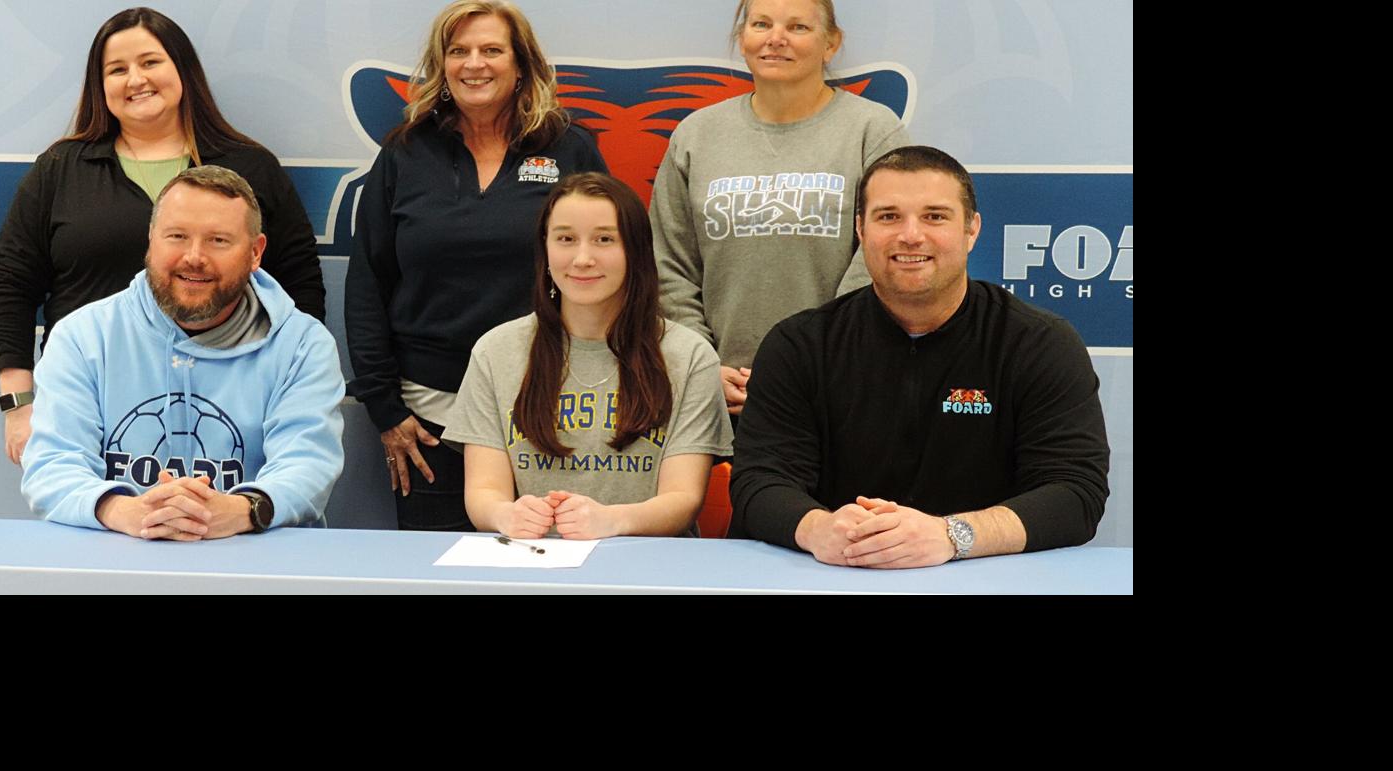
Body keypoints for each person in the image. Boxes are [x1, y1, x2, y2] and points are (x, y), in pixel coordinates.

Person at [730, 146, 1110, 568]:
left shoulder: (1038, 343)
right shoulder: (799, 344)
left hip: (984, 578)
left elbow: (1075, 493)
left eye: (935, 216)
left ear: (971, 230)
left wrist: (952, 535)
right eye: (888, 216)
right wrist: (820, 528)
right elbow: (758, 482)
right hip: (831, 573)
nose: (911, 235)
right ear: (860, 229)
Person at [0, 6, 325, 466]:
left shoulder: (250, 167)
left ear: (181, 68)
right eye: (117, 69)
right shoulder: (60, 169)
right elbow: (13, 287)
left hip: (230, 411)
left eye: (150, 62)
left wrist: (293, 398)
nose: (135, 79)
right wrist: (19, 406)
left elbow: (299, 287)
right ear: (99, 84)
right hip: (90, 406)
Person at [346, 0, 609, 533]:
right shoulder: (405, 152)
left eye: (492, 50)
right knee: (442, 574)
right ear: (441, 66)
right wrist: (385, 410)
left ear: (521, 65)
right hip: (429, 420)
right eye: (458, 51)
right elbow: (368, 282)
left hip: (553, 408)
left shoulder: (569, 148)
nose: (475, 64)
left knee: (559, 570)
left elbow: (614, 266)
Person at [22, 165, 345, 540]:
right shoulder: (82, 336)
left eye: (218, 241)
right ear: (151, 240)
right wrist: (126, 511)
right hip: (116, 560)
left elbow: (306, 465)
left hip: (255, 564)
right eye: (176, 236)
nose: (194, 257)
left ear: (255, 252)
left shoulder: (303, 346)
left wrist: (243, 510)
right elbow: (52, 464)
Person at [651, 0, 910, 420]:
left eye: (798, 27)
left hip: (837, 386)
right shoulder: (697, 135)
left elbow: (883, 256)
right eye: (761, 24)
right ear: (743, 38)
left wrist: (814, 363)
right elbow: (668, 263)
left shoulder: (872, 131)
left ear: (831, 43)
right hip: (719, 391)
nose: (776, 38)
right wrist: (701, 364)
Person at [448, 173, 732, 539]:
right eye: (566, 239)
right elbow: (483, 493)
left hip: (647, 564)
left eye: (604, 240)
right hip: (533, 563)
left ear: (636, 250)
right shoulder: (495, 351)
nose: (582, 259)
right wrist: (507, 515)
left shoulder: (688, 355)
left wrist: (613, 521)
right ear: (545, 248)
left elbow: (683, 499)